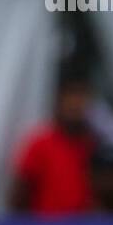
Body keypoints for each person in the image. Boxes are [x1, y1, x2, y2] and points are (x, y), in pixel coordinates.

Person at [9, 67, 97, 216]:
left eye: (81, 97)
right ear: (58, 101)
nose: (75, 104)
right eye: (70, 97)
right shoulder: (40, 144)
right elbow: (20, 194)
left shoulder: (93, 145)